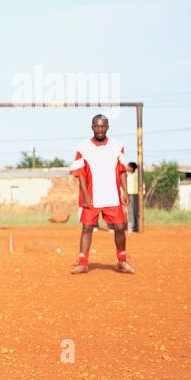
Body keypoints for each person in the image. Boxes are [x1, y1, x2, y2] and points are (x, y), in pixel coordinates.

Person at [69, 114, 133, 274]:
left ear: (107, 127)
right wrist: (85, 195)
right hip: (92, 196)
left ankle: (122, 261)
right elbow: (80, 174)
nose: (100, 129)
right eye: (97, 126)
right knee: (87, 228)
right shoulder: (83, 148)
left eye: (103, 126)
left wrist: (125, 191)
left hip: (112, 195)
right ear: (92, 127)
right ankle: (83, 263)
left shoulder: (117, 146)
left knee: (119, 228)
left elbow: (122, 170)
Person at [126, 161, 139, 233]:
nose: (127, 168)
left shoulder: (137, 175)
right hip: (129, 194)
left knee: (136, 211)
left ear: (132, 168)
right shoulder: (127, 175)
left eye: (128, 166)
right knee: (130, 211)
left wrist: (141, 193)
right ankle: (132, 226)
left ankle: (137, 226)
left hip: (136, 195)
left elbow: (141, 184)